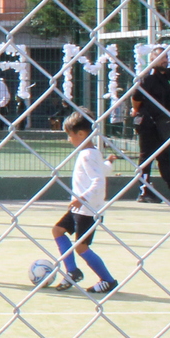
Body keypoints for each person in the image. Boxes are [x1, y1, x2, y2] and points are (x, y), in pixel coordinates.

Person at [48, 112, 119, 296]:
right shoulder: (92, 152)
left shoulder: (87, 155)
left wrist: (81, 198)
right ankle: (72, 271)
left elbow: (98, 181)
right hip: (80, 208)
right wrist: (109, 163)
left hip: (87, 210)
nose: (69, 139)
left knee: (81, 247)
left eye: (70, 135)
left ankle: (108, 280)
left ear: (81, 134)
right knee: (57, 230)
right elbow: (103, 171)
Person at [128, 45, 170, 204]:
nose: (165, 61)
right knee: (147, 157)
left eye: (166, 57)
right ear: (152, 59)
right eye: (161, 57)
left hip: (162, 124)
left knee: (165, 157)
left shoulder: (164, 75)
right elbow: (136, 96)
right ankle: (144, 190)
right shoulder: (148, 77)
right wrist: (136, 109)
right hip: (148, 123)